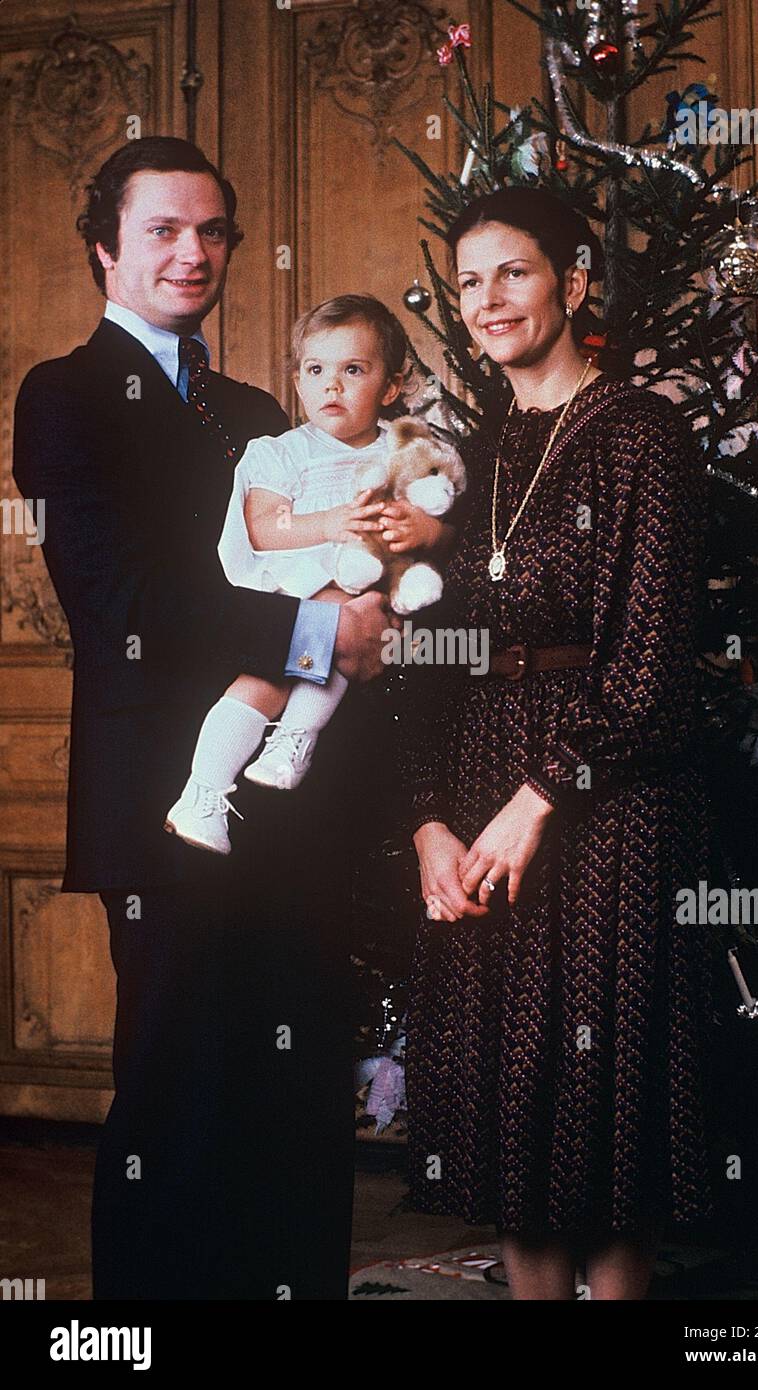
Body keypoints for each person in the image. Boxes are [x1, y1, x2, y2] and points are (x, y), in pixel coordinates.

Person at [12, 137, 397, 1300]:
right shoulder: (64, 395)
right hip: (163, 817)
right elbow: (123, 598)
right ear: (105, 249)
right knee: (179, 1098)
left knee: (295, 1100)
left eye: (212, 230)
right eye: (163, 231)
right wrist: (320, 638)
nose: (193, 252)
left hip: (294, 805)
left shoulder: (259, 408)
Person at [402, 187, 716, 1300]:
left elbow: (652, 676)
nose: (489, 299)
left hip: (605, 808)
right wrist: (434, 820)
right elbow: (428, 653)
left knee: (603, 1131)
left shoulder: (641, 435)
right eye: (471, 278)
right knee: (511, 1120)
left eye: (516, 273)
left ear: (574, 282)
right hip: (482, 783)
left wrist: (534, 803)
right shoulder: (476, 454)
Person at [165, 294, 451, 852]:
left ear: (390, 388)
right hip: (292, 593)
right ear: (297, 382)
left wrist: (425, 532)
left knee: (345, 642)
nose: (332, 387)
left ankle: (292, 742)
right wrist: (333, 522)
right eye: (317, 371)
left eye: (353, 370)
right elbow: (265, 528)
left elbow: (442, 513)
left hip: (368, 602)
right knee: (268, 680)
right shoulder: (279, 452)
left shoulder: (404, 449)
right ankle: (201, 793)